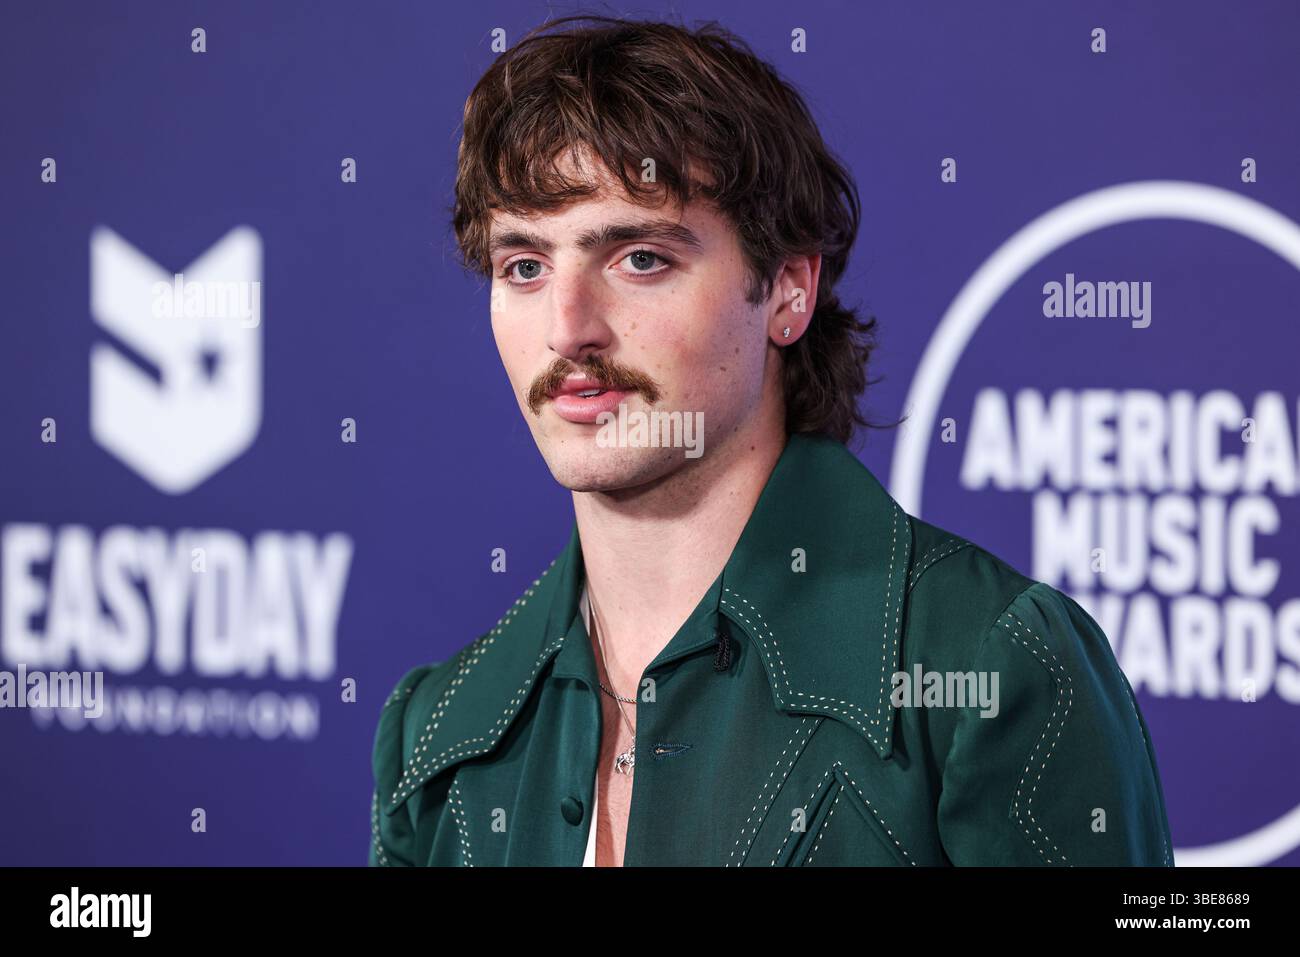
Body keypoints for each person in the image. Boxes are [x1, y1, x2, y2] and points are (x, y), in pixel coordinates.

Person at [368, 14, 1174, 867]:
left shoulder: (989, 668)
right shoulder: (438, 733)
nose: (568, 328)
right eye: (524, 266)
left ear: (788, 290)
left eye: (639, 258)